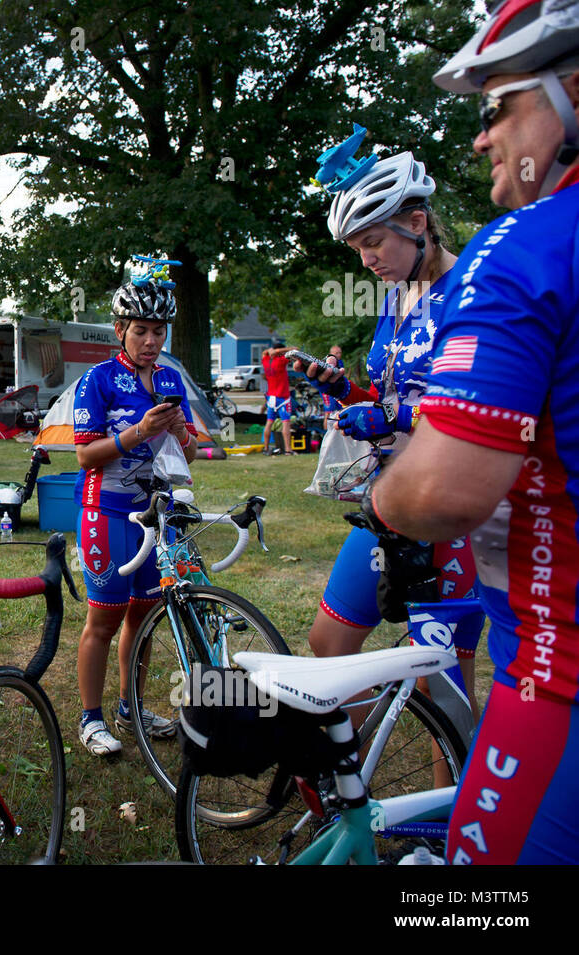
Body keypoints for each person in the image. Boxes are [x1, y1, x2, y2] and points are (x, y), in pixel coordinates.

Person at [367, 0, 579, 864]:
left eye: (499, 107)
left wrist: (383, 497)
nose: (484, 138)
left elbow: (443, 491)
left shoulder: (521, 247)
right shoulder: (397, 308)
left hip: (556, 668)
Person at [296, 138, 482, 714]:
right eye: (357, 248)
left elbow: (478, 410)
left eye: (374, 242)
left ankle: (455, 803)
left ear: (418, 222)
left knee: (442, 682)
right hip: (391, 497)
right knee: (329, 644)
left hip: (453, 505)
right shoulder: (396, 299)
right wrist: (342, 389)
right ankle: (351, 790)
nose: (366, 260)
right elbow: (385, 397)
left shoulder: (472, 293)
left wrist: (394, 414)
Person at [72, 273, 198, 756]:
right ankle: (90, 718)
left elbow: (189, 448)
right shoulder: (98, 379)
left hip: (156, 513)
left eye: (159, 331)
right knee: (104, 619)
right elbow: (84, 457)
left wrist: (181, 431)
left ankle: (131, 707)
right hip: (105, 510)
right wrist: (138, 432)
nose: (151, 341)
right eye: (141, 330)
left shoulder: (170, 378)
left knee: (145, 618)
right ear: (120, 328)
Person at [260, 342, 294, 454]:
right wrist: (282, 350)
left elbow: (264, 353)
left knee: (269, 422)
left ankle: (265, 448)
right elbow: (295, 350)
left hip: (271, 398)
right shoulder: (280, 361)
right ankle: (288, 449)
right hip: (283, 397)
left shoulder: (266, 361)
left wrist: (273, 351)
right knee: (286, 423)